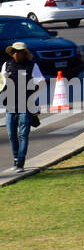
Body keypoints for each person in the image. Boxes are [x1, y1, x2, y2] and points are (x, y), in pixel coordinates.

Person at [3, 42, 44, 172]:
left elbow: (41, 82)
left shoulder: (32, 66)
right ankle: (15, 159)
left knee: (23, 135)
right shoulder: (7, 65)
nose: (16, 53)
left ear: (23, 53)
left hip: (25, 105)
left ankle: (20, 162)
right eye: (14, 51)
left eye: (18, 51)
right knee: (11, 134)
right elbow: (1, 83)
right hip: (10, 105)